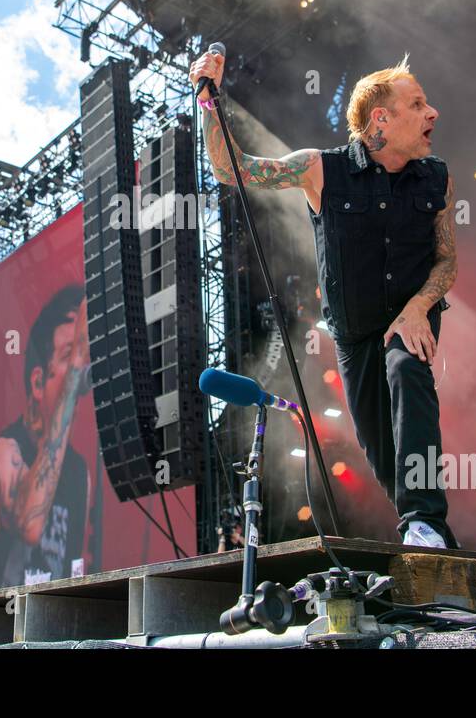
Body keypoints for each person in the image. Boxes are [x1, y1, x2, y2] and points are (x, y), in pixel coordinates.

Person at [190, 51, 459, 549]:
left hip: (409, 317)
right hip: (354, 335)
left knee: (407, 369)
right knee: (380, 448)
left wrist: (418, 308)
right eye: (418, 104)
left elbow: (446, 262)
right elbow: (233, 170)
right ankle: (428, 535)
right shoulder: (321, 169)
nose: (432, 113)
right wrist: (208, 102)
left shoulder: (436, 178)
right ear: (382, 118)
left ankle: (426, 521)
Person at [0, 285, 93, 590]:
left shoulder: (79, 473)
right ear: (38, 382)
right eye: (69, 355)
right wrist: (77, 364)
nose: (79, 368)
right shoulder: (6, 452)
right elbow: (30, 525)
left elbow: (78, 567)